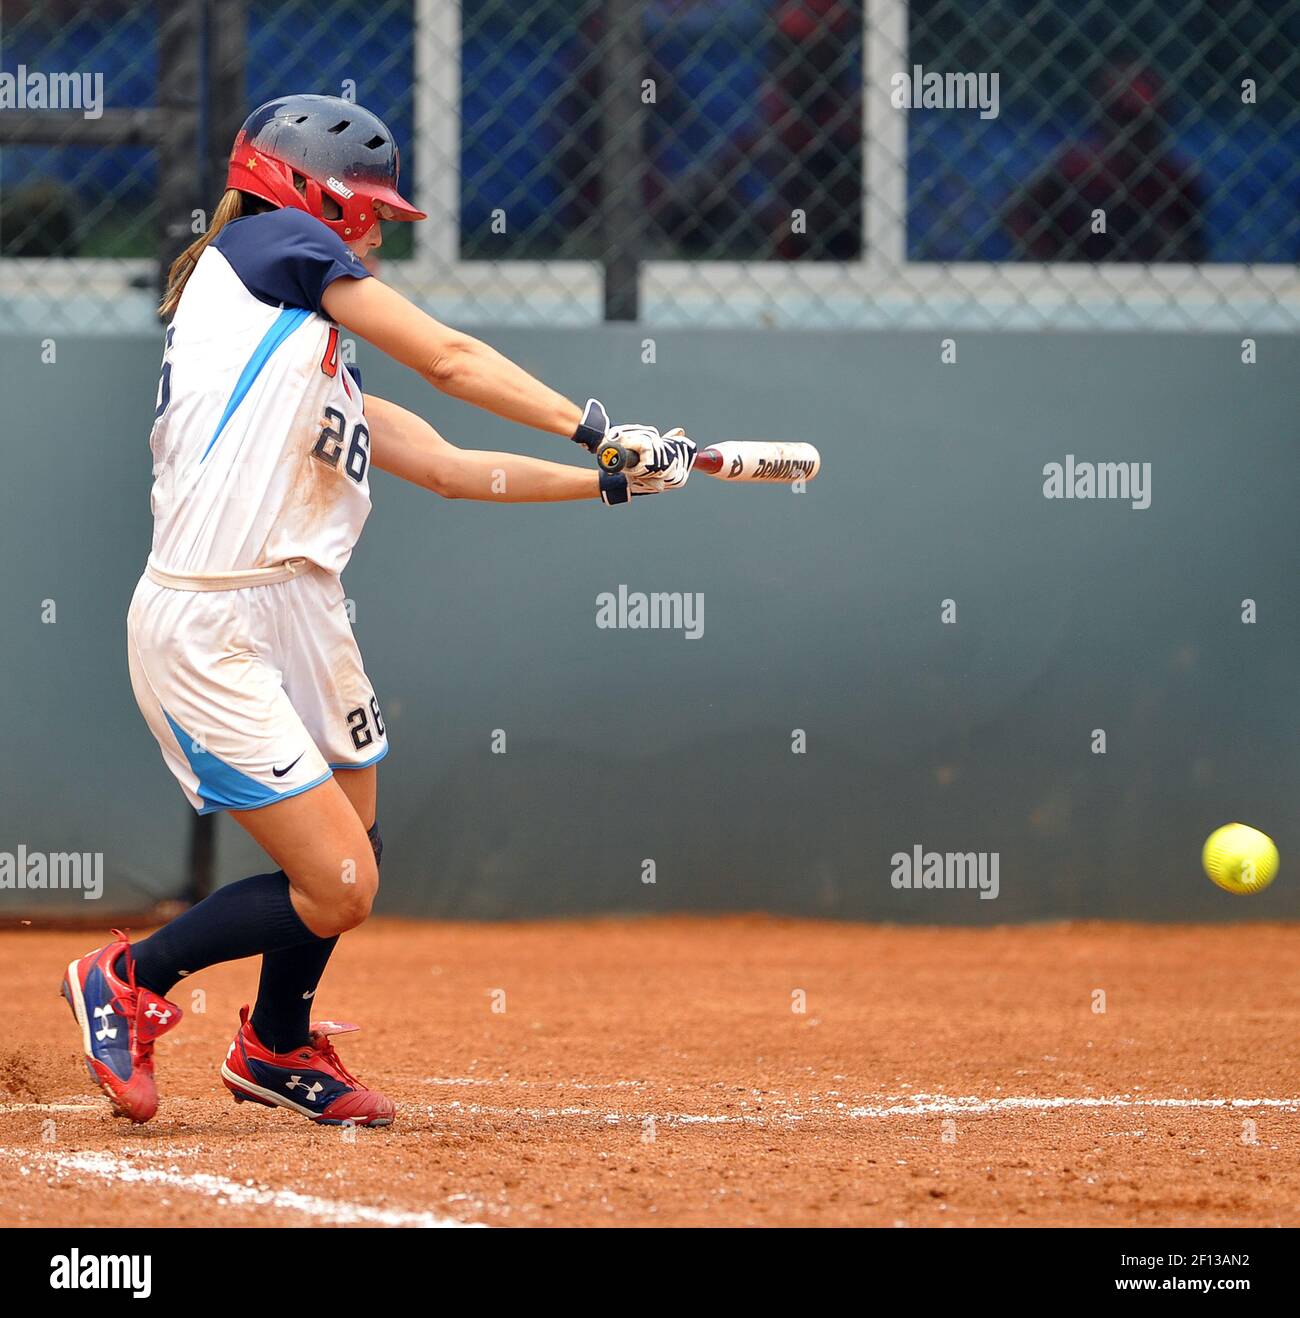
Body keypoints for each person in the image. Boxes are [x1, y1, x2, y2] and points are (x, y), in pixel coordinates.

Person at [60, 93, 695, 1128]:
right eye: (361, 212)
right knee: (342, 883)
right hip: (212, 620)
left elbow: (448, 467)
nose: (370, 237)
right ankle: (127, 975)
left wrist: (614, 481)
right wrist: (596, 429)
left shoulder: (302, 344)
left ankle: (271, 1045)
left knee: (356, 843)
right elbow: (449, 358)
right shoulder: (272, 250)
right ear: (303, 192)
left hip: (303, 612)